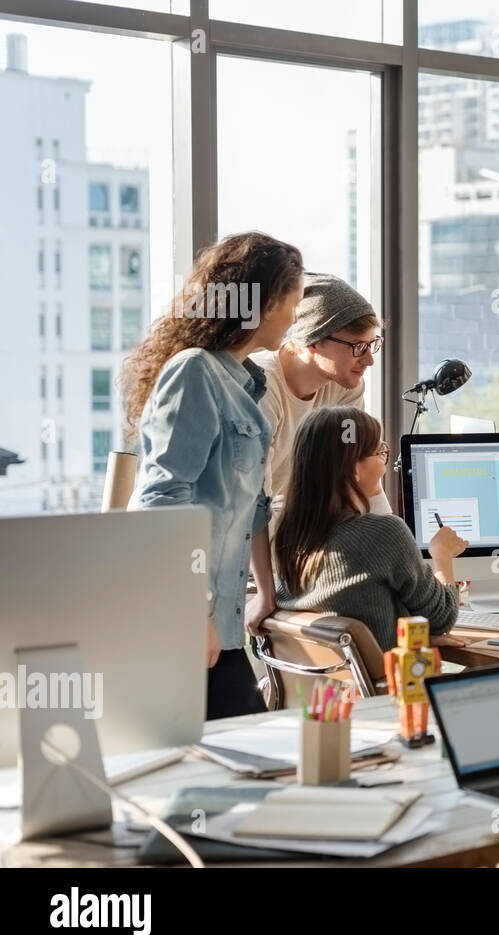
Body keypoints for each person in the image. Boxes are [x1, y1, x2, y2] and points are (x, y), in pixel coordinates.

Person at [125, 231, 303, 719]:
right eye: (294, 300)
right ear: (268, 303)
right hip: (182, 623)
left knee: (240, 766)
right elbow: (162, 500)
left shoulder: (249, 384)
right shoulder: (194, 372)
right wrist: (192, 610)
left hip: (223, 627)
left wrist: (266, 594)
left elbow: (255, 507)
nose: (295, 316)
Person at [273, 406, 465, 651]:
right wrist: (442, 555)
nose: (385, 464)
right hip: (384, 688)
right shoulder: (384, 533)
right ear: (354, 470)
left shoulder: (289, 538)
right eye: (379, 452)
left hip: (326, 688)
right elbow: (442, 618)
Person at [251, 273, 387, 530]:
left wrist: (394, 546)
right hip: (243, 536)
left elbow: (358, 471)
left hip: (297, 525)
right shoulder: (261, 386)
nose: (369, 360)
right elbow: (254, 501)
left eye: (372, 345)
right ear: (313, 342)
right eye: (359, 347)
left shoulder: (347, 386)